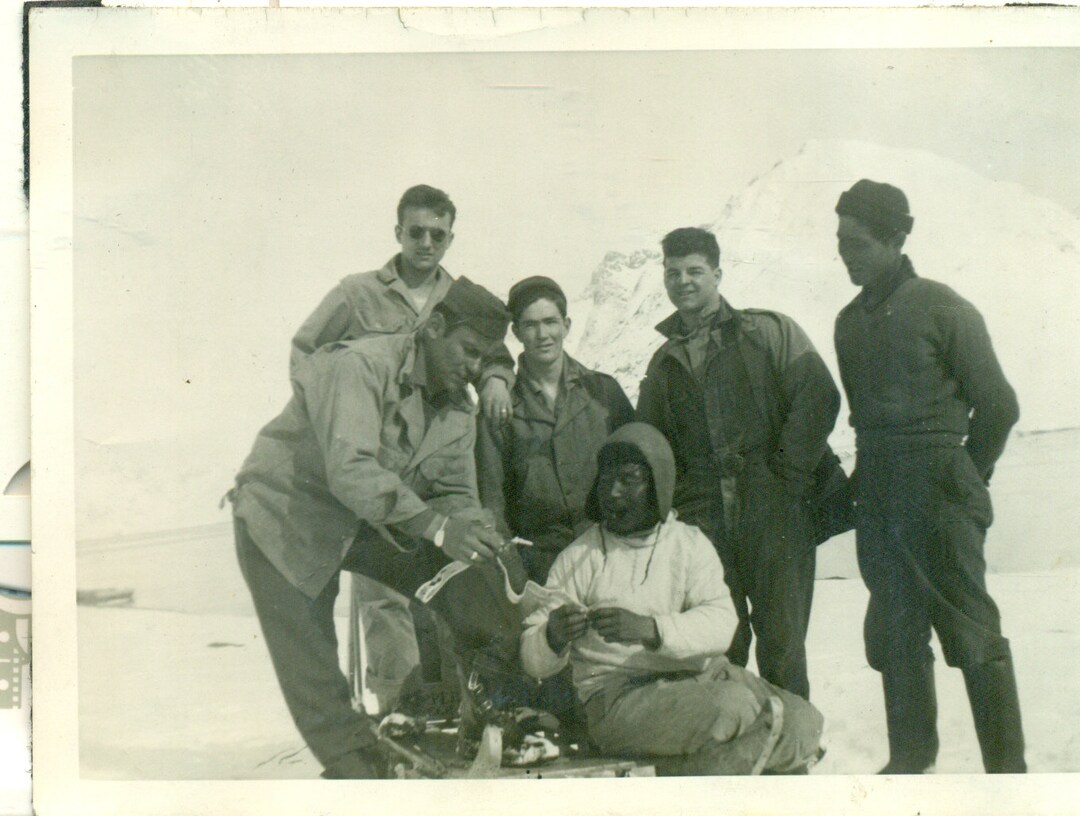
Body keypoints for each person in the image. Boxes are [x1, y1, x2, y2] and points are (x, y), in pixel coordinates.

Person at [229, 277, 512, 779]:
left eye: (483, 360)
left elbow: (455, 494)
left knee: (468, 584)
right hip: (287, 520)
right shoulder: (359, 365)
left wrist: (474, 537)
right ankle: (357, 775)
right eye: (467, 351)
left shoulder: (456, 407)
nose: (471, 370)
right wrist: (441, 528)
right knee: (314, 671)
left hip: (363, 520)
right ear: (434, 327)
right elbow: (352, 470)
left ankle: (483, 710)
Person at [291, 184, 515, 714]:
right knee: (382, 591)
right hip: (366, 468)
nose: (426, 243)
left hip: (429, 459)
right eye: (416, 231)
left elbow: (492, 355)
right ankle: (399, 705)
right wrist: (328, 421)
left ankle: (453, 701)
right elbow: (306, 352)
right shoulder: (356, 293)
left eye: (438, 234)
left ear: (450, 238)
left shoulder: (461, 298)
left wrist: (498, 378)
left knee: (453, 575)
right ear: (398, 232)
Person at [833, 179, 1025, 774]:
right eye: (839, 241)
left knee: (971, 632)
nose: (845, 254)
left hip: (941, 497)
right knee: (895, 633)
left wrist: (965, 479)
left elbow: (998, 405)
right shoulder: (847, 321)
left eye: (858, 243)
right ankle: (911, 760)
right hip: (880, 498)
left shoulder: (944, 306)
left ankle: (1007, 772)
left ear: (894, 240)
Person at [519, 423, 824, 775]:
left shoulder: (688, 544)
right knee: (736, 709)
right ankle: (746, 763)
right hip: (618, 698)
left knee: (806, 718)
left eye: (629, 480)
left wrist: (652, 629)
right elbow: (532, 657)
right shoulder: (579, 557)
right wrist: (552, 635)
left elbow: (722, 623)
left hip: (705, 678)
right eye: (606, 480)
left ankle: (713, 768)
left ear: (659, 484)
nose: (613, 493)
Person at [636, 227, 840, 700]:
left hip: (777, 517)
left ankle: (790, 757)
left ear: (718, 274)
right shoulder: (663, 362)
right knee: (719, 645)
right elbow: (652, 444)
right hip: (705, 526)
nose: (683, 281)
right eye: (673, 273)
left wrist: (785, 481)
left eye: (695, 271)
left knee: (784, 645)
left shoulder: (768, 331)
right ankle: (735, 750)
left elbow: (818, 397)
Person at [476, 275, 634, 584]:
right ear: (517, 331)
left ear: (567, 325)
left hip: (609, 550)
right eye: (531, 325)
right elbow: (492, 498)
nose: (543, 335)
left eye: (550, 322)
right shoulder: (501, 404)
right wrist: (513, 571)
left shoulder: (603, 392)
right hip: (539, 560)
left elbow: (636, 467)